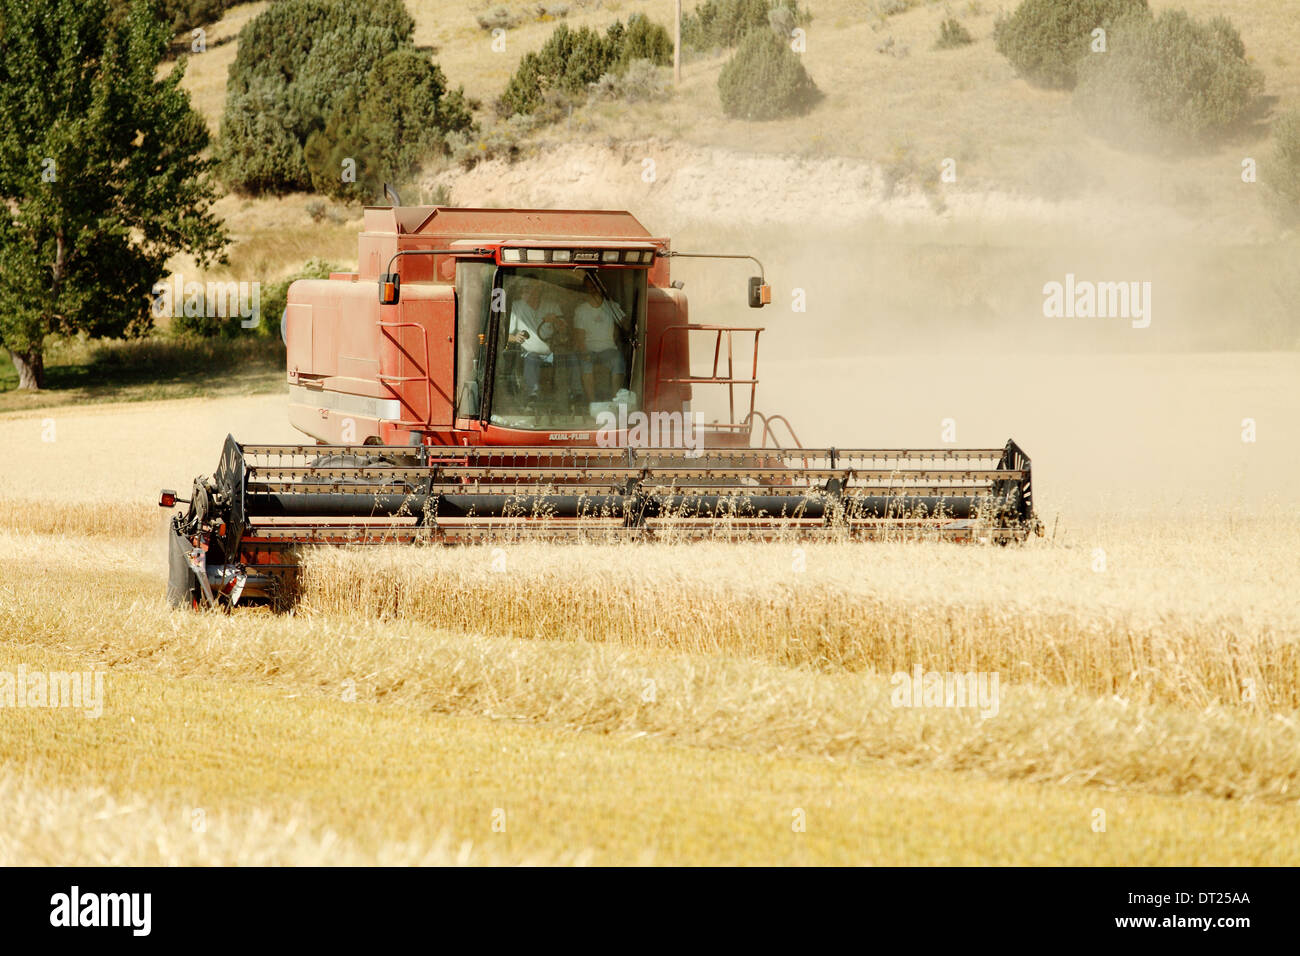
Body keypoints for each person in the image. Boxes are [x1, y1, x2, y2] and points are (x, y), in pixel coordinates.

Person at [508, 281, 578, 403]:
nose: (532, 293)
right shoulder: (516, 307)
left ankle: (576, 395)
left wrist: (555, 320)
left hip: (552, 352)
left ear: (541, 291)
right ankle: (532, 397)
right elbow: (504, 335)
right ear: (523, 292)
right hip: (528, 353)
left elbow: (564, 330)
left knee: (571, 358)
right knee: (532, 358)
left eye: (536, 290)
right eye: (528, 290)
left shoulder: (552, 306)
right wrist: (515, 338)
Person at [572, 275, 628, 402]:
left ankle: (616, 401)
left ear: (601, 287)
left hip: (608, 350)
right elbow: (579, 337)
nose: (592, 290)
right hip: (589, 350)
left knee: (618, 360)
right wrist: (584, 352)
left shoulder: (612, 306)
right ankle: (593, 404)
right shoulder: (581, 310)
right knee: (585, 363)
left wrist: (626, 323)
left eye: (594, 286)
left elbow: (625, 324)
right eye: (589, 287)